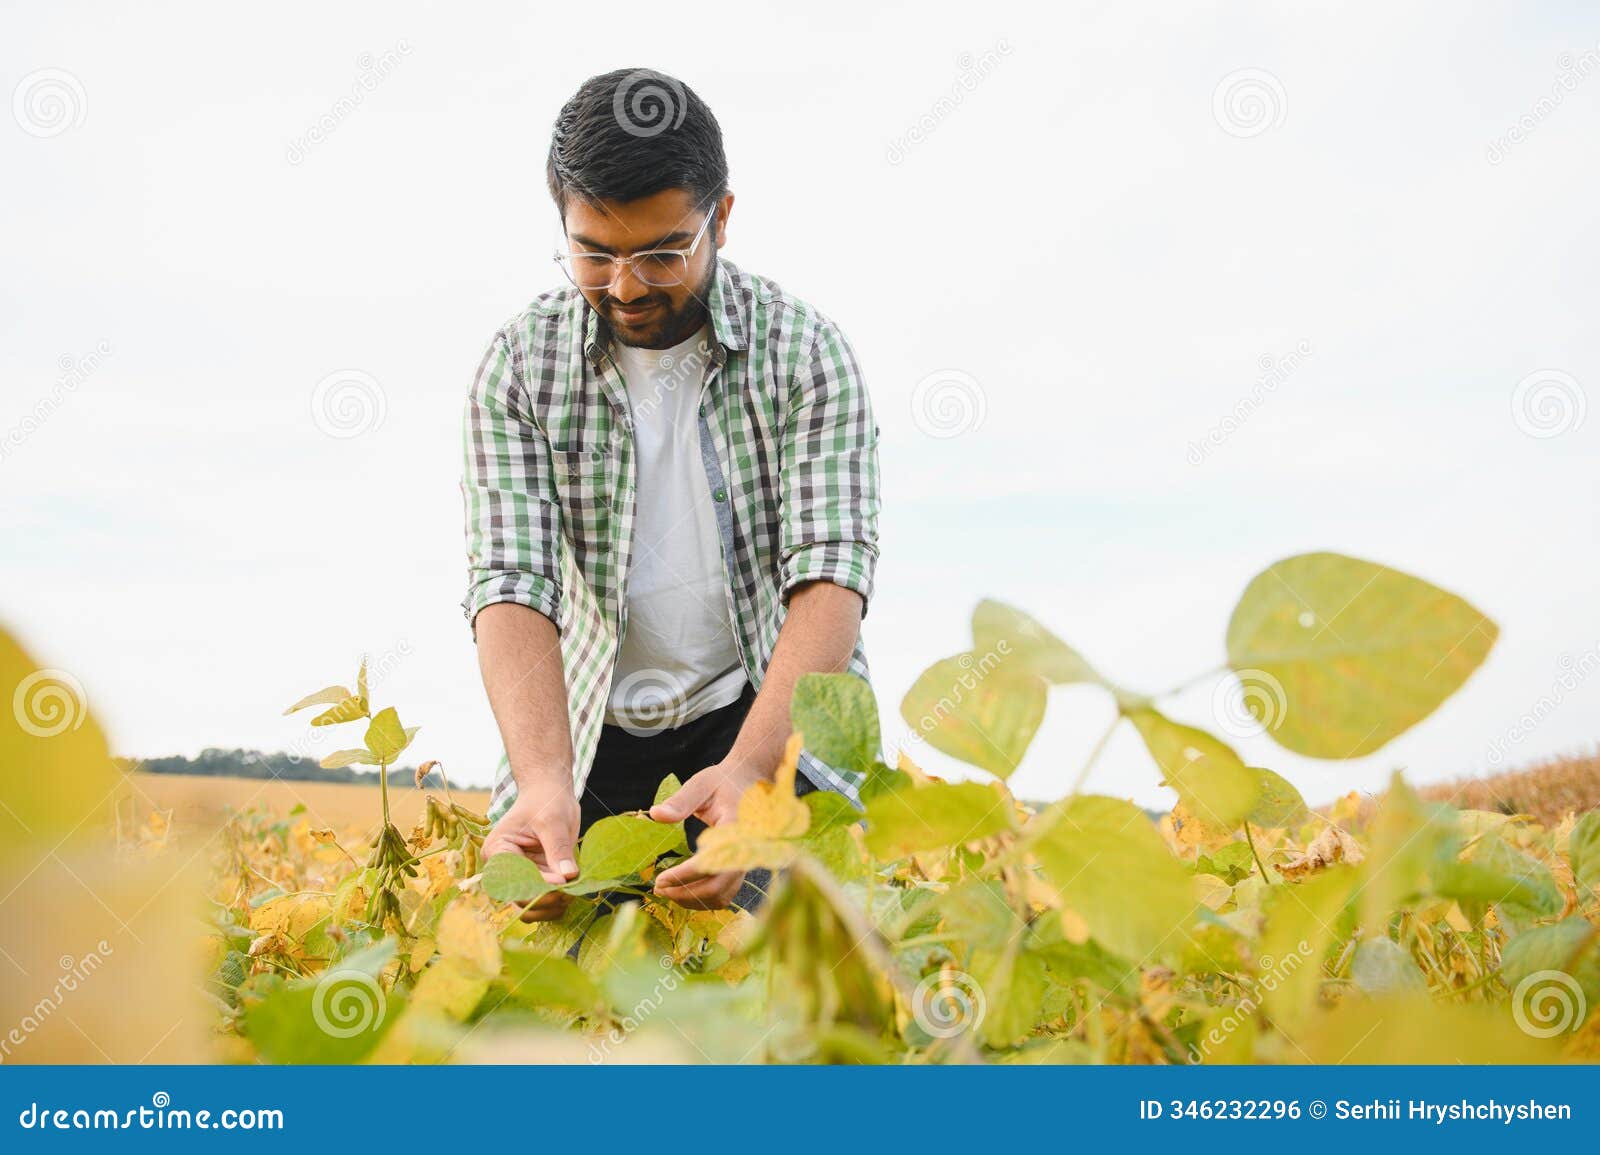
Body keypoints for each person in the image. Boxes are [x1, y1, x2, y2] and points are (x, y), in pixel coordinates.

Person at [462, 68, 881, 918]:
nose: (624, 287)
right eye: (594, 253)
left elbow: (830, 577)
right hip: (586, 737)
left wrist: (754, 775)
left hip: (761, 714)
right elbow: (512, 584)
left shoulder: (805, 355)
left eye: (661, 253)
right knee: (576, 1003)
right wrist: (545, 782)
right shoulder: (518, 368)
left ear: (720, 219)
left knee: (805, 980)